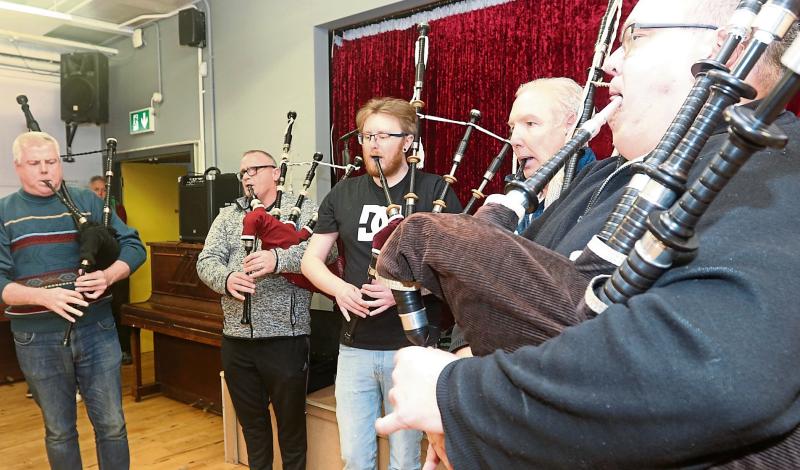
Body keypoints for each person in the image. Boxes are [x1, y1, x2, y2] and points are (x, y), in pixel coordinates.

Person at [375, 0, 800, 468]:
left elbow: (712, 375)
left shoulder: (771, 178)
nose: (610, 63)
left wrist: (458, 398)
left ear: (725, 47)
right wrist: (466, 386)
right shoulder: (604, 178)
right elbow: (504, 283)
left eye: (633, 38)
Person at [301, 97, 462, 470]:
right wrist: (339, 288)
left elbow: (455, 269)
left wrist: (402, 292)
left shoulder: (435, 191)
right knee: (354, 456)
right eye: (366, 136)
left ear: (408, 141)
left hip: (409, 349)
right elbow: (312, 259)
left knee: (406, 459)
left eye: (383, 136)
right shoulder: (344, 192)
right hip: (354, 345)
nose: (373, 144)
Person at [0, 131, 146, 469]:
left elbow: (133, 246)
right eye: (35, 163)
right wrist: (43, 298)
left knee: (112, 425)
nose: (45, 171)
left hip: (97, 329)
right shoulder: (5, 212)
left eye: (51, 162)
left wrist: (109, 275)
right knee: (59, 431)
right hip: (37, 337)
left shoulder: (87, 201)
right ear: (17, 167)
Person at [196, 149, 318, 470]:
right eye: (243, 173)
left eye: (254, 169)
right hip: (237, 340)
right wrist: (226, 279)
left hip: (286, 339)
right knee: (252, 428)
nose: (247, 177)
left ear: (276, 173)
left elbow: (324, 254)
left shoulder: (303, 210)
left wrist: (278, 260)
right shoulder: (228, 216)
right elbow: (206, 260)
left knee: (291, 431)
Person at [508, 77, 596, 230]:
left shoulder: (594, 200)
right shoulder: (521, 201)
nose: (514, 140)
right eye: (512, 128)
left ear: (571, 124)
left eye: (530, 123)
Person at [89, 175, 132, 365]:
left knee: (119, 309)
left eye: (103, 189)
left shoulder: (117, 210)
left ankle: (124, 350)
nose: (101, 193)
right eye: (96, 189)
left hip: (117, 269)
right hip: (95, 272)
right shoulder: (86, 212)